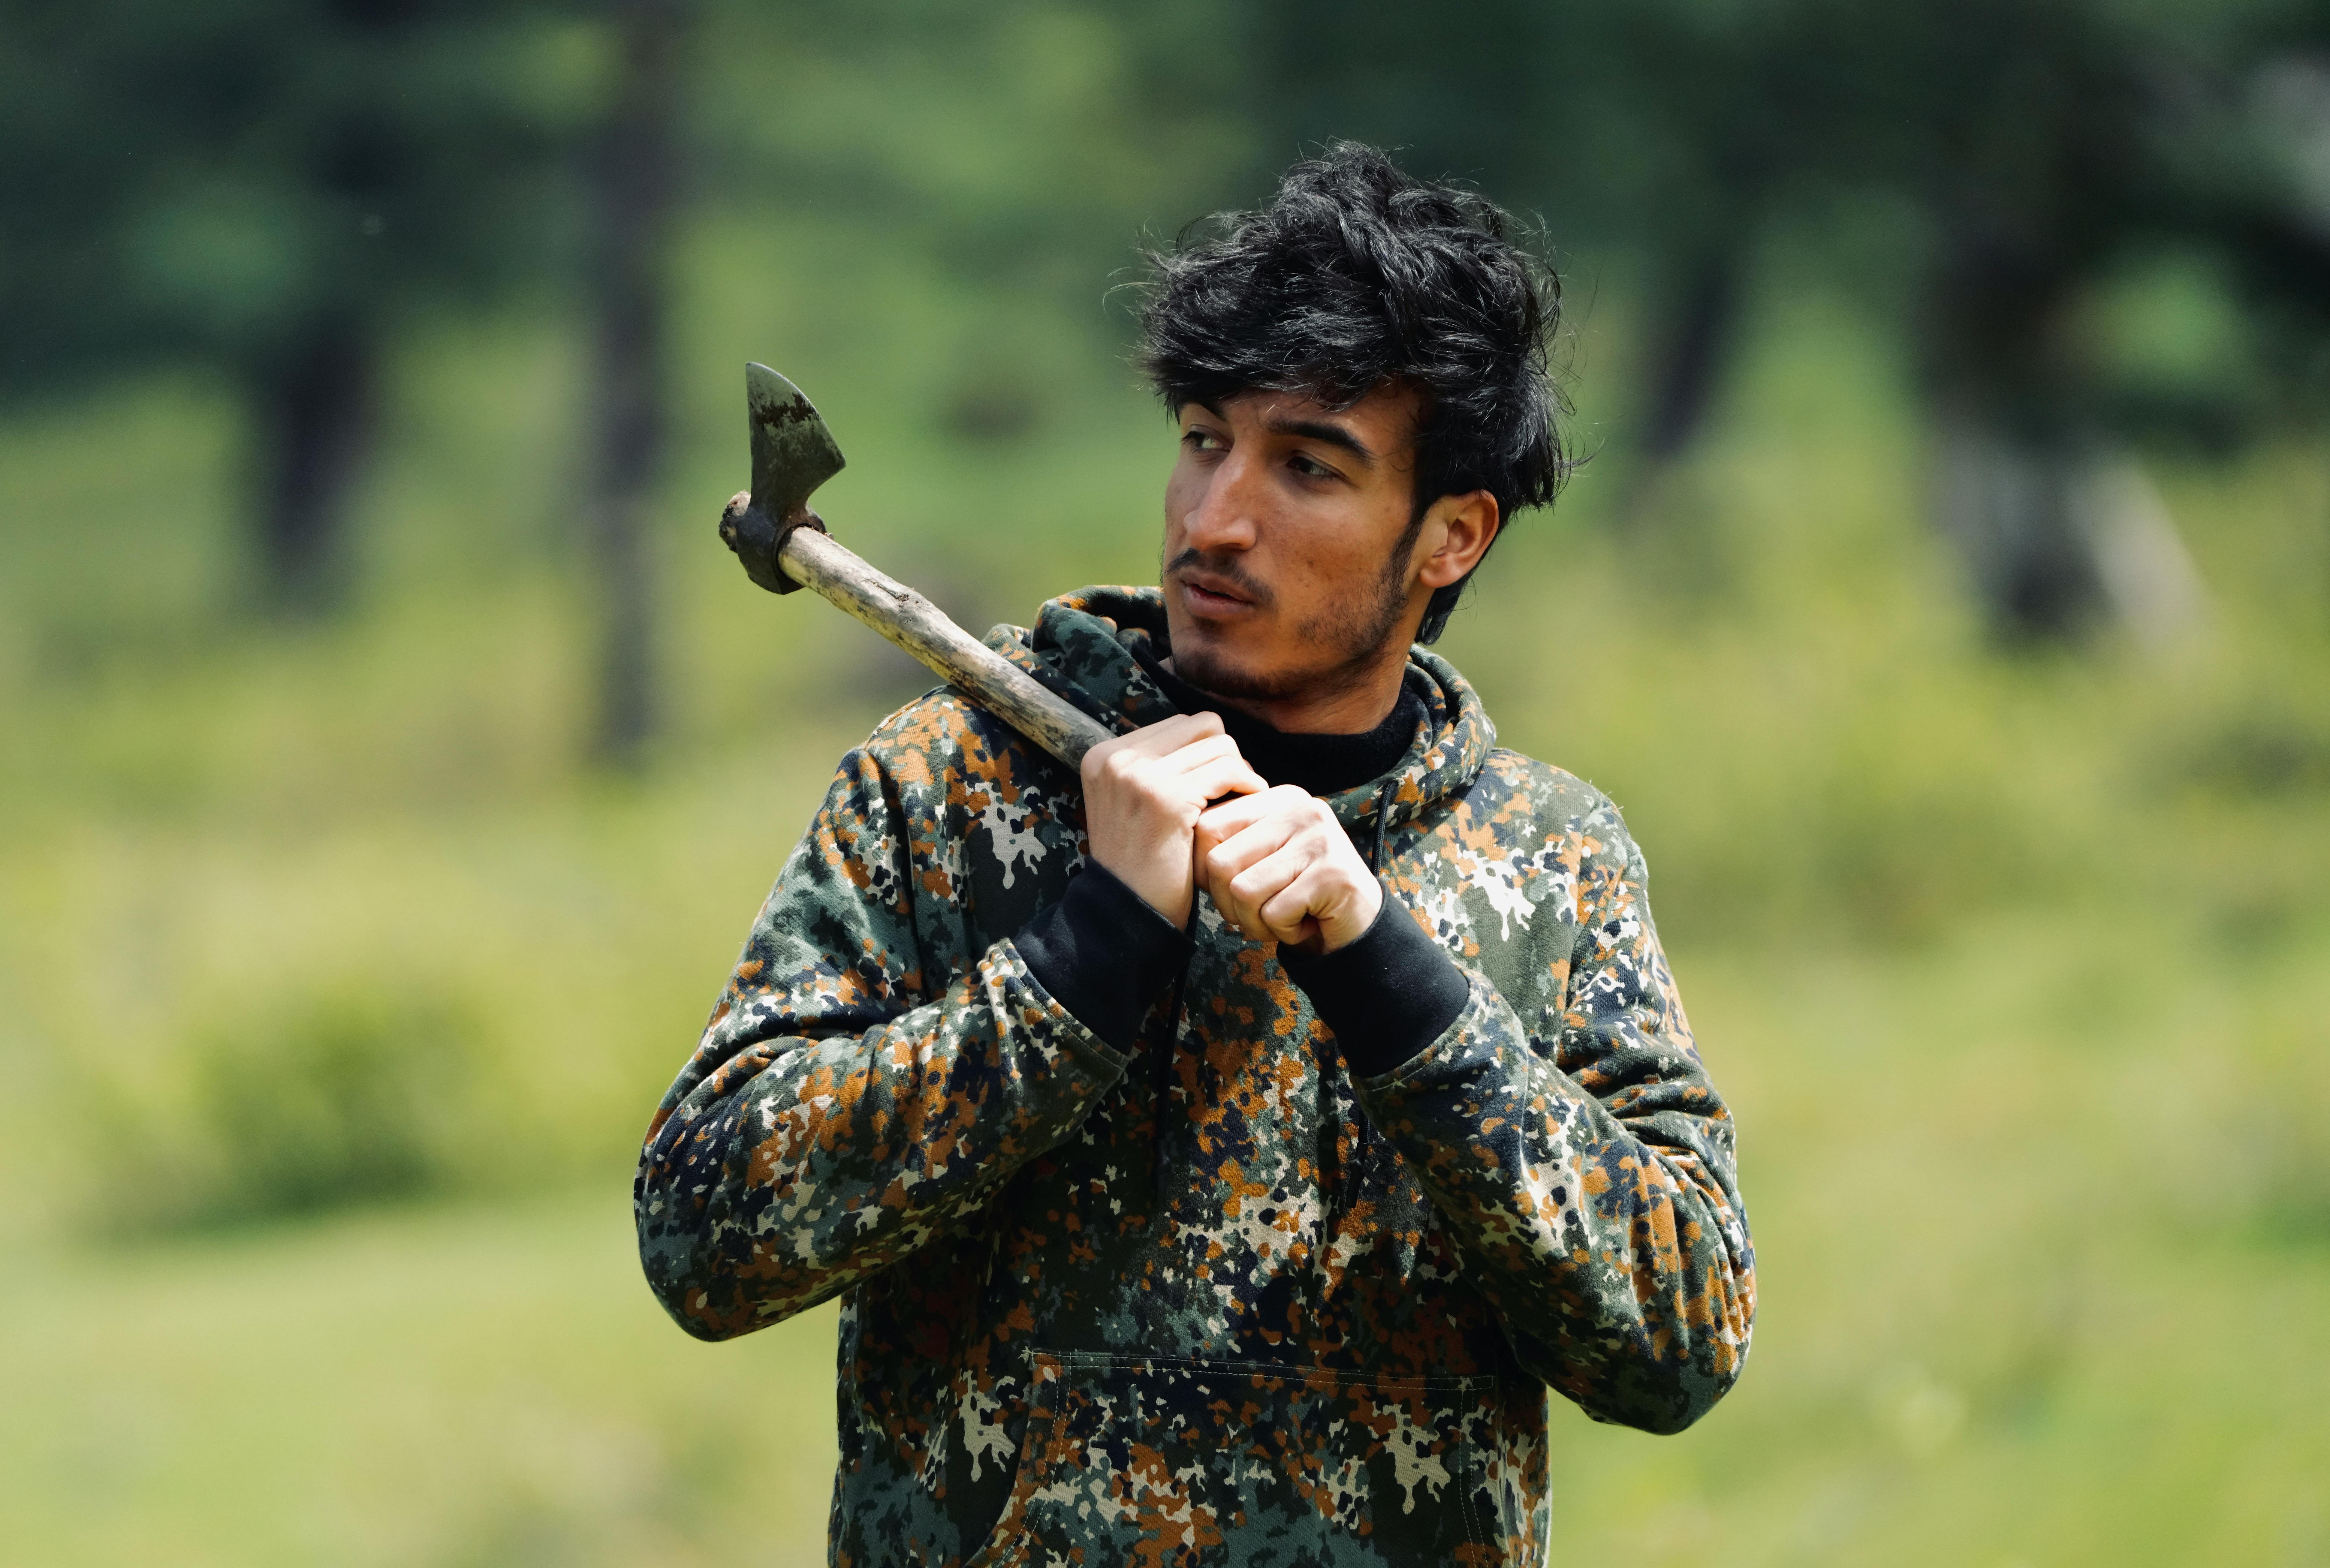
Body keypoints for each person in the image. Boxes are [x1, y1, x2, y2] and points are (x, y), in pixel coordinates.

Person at [636, 143, 1755, 1566]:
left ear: (1450, 537)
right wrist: (1078, 960)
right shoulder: (943, 784)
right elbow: (702, 1236)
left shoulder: (1548, 860)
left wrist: (1396, 984)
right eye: (1202, 435)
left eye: (1307, 467)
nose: (1214, 518)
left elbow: (1681, 1338)